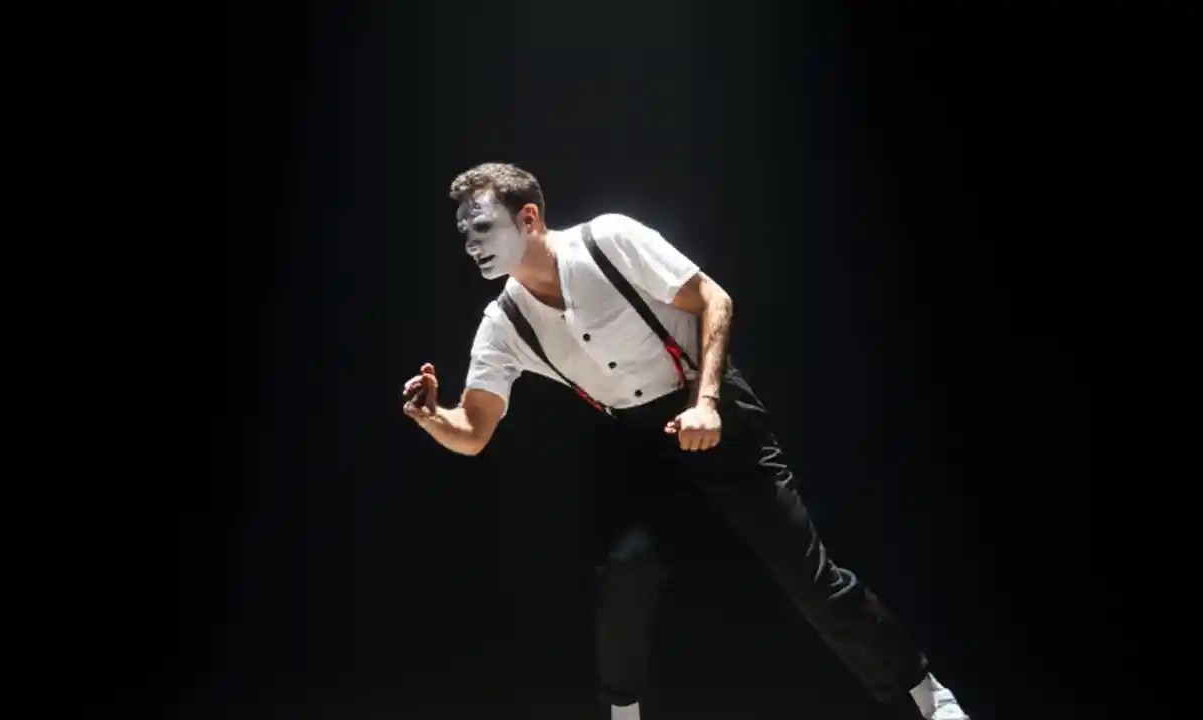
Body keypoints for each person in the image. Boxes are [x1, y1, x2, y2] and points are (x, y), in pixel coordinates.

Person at [400, 162, 970, 720]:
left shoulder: (608, 240)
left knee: (807, 577)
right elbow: (473, 432)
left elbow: (713, 300)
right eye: (463, 234)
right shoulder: (502, 323)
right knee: (624, 573)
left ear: (528, 218)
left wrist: (706, 403)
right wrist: (431, 416)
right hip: (640, 439)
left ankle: (927, 694)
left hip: (708, 402)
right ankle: (624, 714)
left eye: (482, 227)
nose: (471, 244)